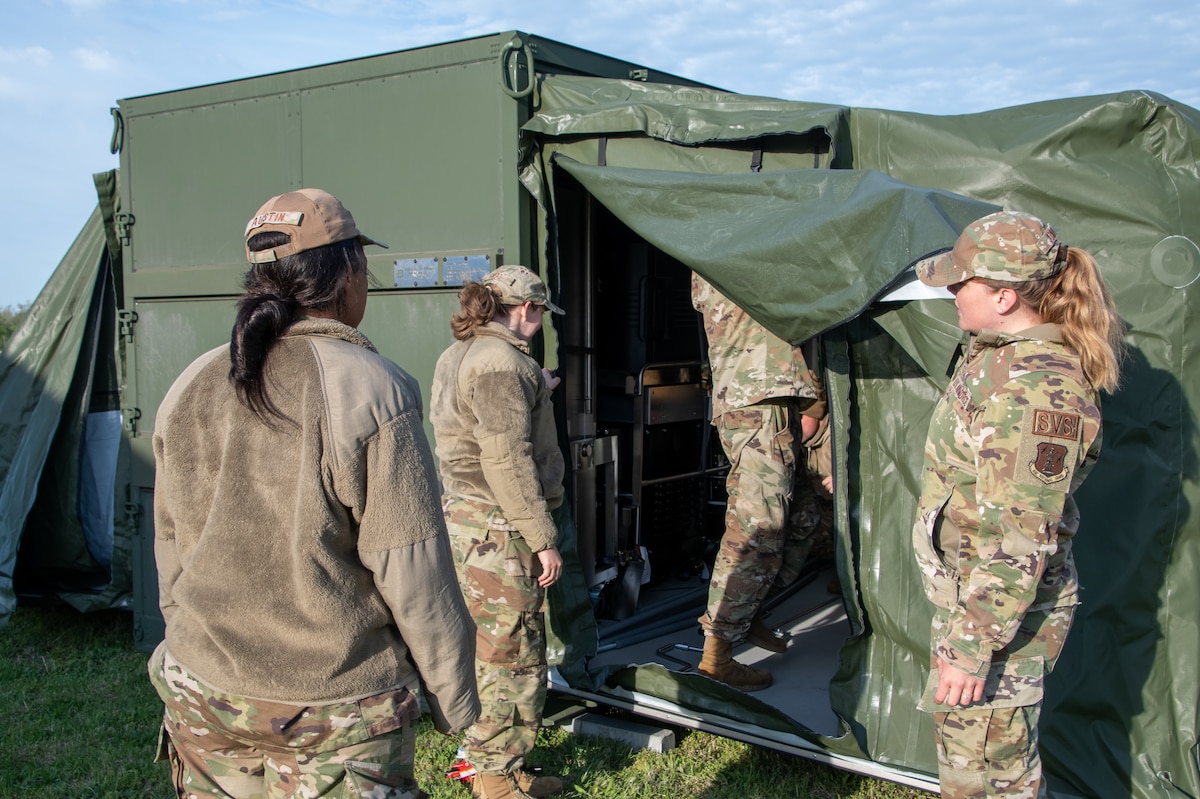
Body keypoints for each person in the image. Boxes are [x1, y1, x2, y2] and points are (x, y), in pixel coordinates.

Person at [150, 188, 479, 798]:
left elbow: (169, 541)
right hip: (332, 709)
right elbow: (413, 568)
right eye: (363, 267)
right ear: (346, 272)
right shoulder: (372, 388)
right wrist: (453, 699)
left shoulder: (193, 380)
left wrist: (184, 631)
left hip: (202, 689)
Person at [911, 210, 1124, 798]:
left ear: (1005, 297)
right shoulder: (999, 355)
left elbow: (1020, 540)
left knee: (985, 779)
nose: (951, 291)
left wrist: (971, 648)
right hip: (978, 604)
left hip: (997, 622)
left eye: (963, 282)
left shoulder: (1033, 391)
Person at [430, 265, 567, 799]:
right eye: (538, 312)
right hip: (499, 526)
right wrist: (542, 538)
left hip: (468, 519)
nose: (538, 322)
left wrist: (540, 387)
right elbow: (506, 457)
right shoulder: (502, 363)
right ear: (527, 309)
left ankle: (498, 765)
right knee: (514, 653)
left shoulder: (463, 352)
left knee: (489, 645)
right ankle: (495, 779)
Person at [691, 273, 823, 691]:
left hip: (773, 399)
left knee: (803, 517)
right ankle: (719, 650)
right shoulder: (730, 249)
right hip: (755, 402)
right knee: (759, 528)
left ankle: (746, 611)